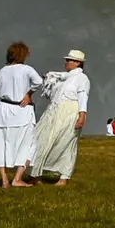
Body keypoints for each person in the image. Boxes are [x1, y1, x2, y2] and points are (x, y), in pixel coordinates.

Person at [0, 42, 41, 186]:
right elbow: (38, 82)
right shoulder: (26, 69)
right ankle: (17, 178)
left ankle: (4, 179)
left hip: (4, 109)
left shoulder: (3, 70)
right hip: (21, 109)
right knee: (29, 144)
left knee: (1, 143)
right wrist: (29, 93)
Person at [32, 49, 91, 184]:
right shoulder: (63, 78)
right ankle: (36, 174)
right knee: (42, 139)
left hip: (70, 111)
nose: (66, 62)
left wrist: (82, 116)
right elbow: (51, 95)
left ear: (77, 63)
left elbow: (83, 98)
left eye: (69, 60)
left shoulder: (82, 79)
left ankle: (64, 176)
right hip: (54, 111)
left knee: (66, 142)